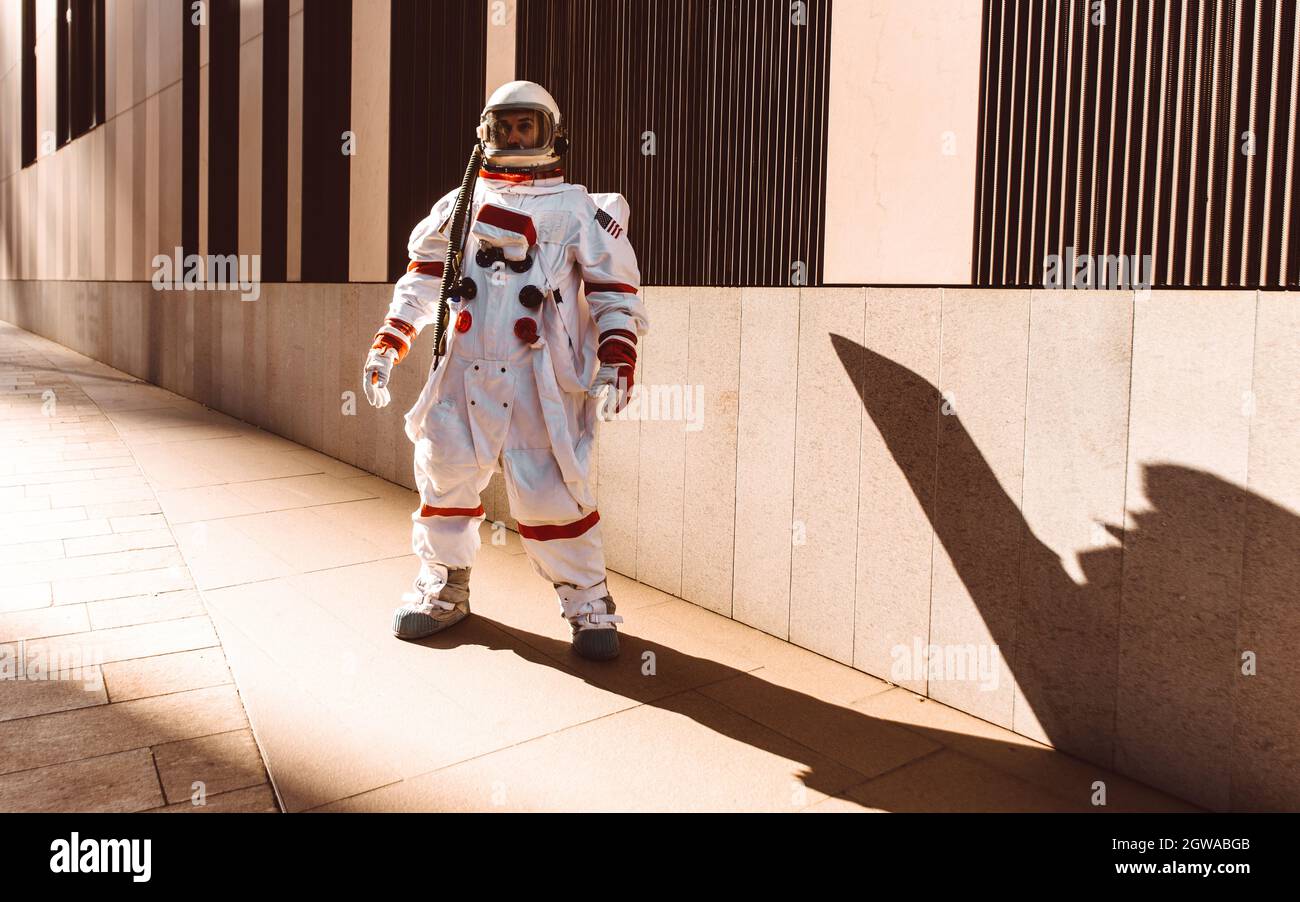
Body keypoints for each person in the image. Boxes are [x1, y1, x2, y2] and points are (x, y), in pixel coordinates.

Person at [361, 80, 648, 661]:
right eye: (504, 126)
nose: (515, 136)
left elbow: (616, 293)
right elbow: (422, 281)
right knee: (443, 478)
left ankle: (587, 601)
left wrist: (618, 354)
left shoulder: (577, 208)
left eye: (527, 126)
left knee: (551, 493)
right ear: (485, 135)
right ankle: (444, 589)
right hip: (462, 372)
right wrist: (391, 342)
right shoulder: (457, 204)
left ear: (552, 134)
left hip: (536, 377)